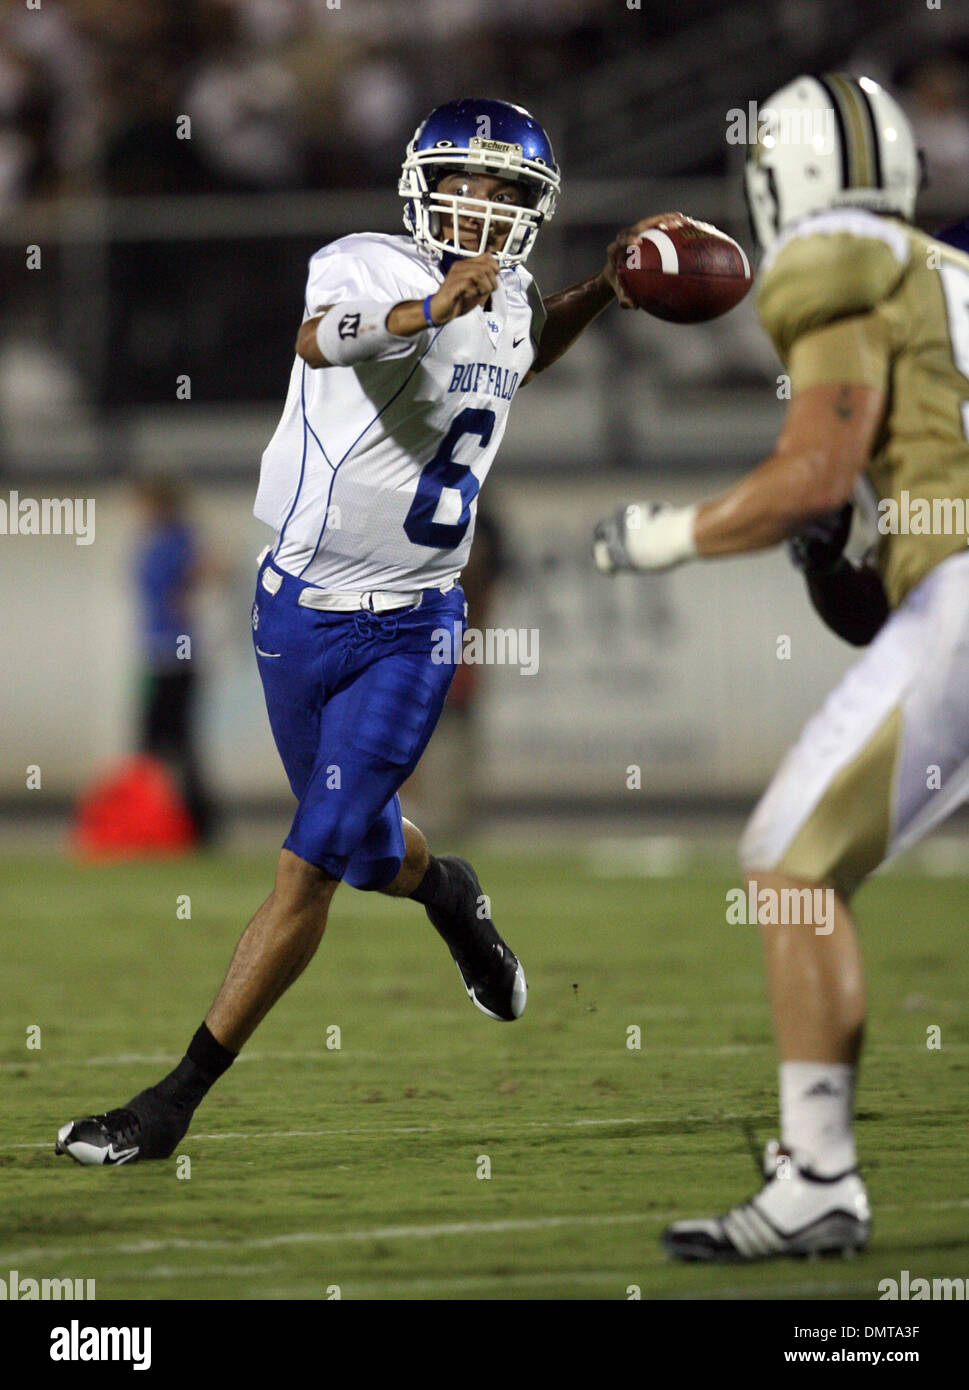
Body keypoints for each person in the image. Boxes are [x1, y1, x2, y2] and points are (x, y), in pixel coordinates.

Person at [56, 97, 664, 1165]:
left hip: (414, 621)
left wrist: (603, 293)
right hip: (294, 606)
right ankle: (451, 890)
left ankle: (170, 1104)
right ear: (423, 187)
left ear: (532, 209)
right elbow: (320, 340)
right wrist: (428, 309)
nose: (482, 209)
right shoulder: (369, 263)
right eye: (465, 185)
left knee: (311, 865)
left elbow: (521, 350)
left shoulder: (513, 294)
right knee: (366, 845)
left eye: (505, 192)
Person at [594, 73, 969, 1260]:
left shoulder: (833, 253)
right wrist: (825, 554)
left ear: (780, 179)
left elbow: (815, 472)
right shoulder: (947, 275)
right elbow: (868, 597)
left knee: (790, 859)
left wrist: (665, 535)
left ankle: (817, 1174)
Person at [134, 476, 217, 845]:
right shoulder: (157, 541)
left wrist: (184, 594)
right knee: (163, 744)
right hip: (159, 654)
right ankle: (165, 820)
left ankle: (192, 823)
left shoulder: (177, 539)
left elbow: (209, 568)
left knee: (170, 744)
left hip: (174, 658)